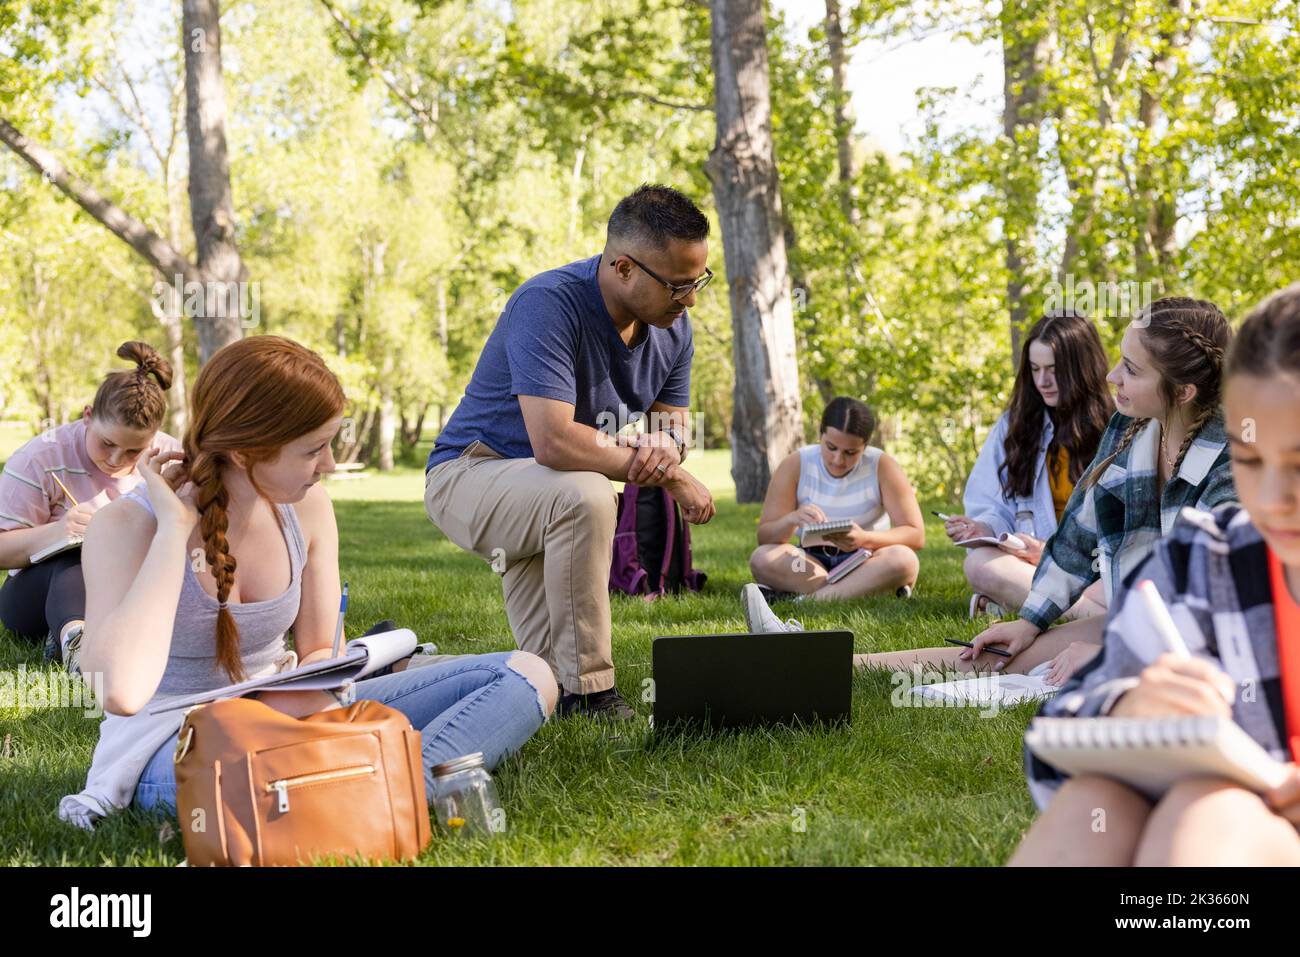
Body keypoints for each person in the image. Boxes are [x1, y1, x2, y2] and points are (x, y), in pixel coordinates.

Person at [59, 336, 556, 830]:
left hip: (294, 718)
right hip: (177, 745)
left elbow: (320, 651)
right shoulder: (125, 528)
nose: (330, 465)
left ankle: (377, 786)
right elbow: (122, 692)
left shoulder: (309, 508)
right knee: (285, 763)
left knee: (526, 674)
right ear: (244, 450)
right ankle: (390, 783)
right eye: (313, 449)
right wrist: (173, 530)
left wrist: (312, 690)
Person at [1012, 283, 1300, 865]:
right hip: (1233, 810)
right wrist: (1127, 706)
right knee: (1101, 798)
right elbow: (1052, 742)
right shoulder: (1208, 558)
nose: (1271, 499)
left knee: (1210, 811)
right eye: (1250, 461)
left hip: (1250, 827)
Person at [423, 184, 716, 720]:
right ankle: (592, 693)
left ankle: (406, 666)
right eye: (678, 286)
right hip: (471, 474)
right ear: (624, 269)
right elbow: (554, 440)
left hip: (545, 494)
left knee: (535, 681)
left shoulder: (674, 327)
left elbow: (675, 426)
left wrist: (667, 447)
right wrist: (670, 478)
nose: (690, 299)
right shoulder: (548, 302)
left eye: (697, 281)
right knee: (585, 491)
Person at [859, 297, 1236, 687]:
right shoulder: (1129, 430)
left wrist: (1112, 658)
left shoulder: (1233, 464)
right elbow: (1076, 534)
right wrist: (1029, 621)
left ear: (1183, 392)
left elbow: (1219, 611)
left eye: (1131, 369)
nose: (1112, 376)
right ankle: (851, 662)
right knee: (1004, 656)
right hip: (1140, 619)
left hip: (1214, 644)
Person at [0, 341, 182, 672]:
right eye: (107, 443)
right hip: (35, 597)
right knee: (79, 551)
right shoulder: (40, 458)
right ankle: (78, 647)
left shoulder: (169, 457)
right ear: (87, 416)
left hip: (131, 591)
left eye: (132, 452)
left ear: (154, 437)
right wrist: (57, 532)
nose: (115, 460)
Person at [944, 311, 1113, 620]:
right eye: (1035, 369)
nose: (1043, 381)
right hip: (1031, 566)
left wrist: (1053, 551)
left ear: (1082, 369)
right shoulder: (1014, 427)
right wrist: (983, 527)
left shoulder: (1117, 428)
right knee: (980, 563)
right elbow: (992, 505)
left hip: (1093, 569)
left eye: (1054, 370)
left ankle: (1016, 606)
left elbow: (1126, 530)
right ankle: (1088, 618)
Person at [740, 397, 923, 633]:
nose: (838, 460)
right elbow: (765, 537)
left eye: (850, 452)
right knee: (762, 558)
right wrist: (792, 519)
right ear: (821, 435)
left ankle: (804, 600)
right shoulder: (797, 463)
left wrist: (865, 539)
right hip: (810, 563)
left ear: (865, 446)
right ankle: (862, 590)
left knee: (904, 560)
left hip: (866, 560)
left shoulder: (882, 465)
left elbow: (915, 535)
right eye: (831, 448)